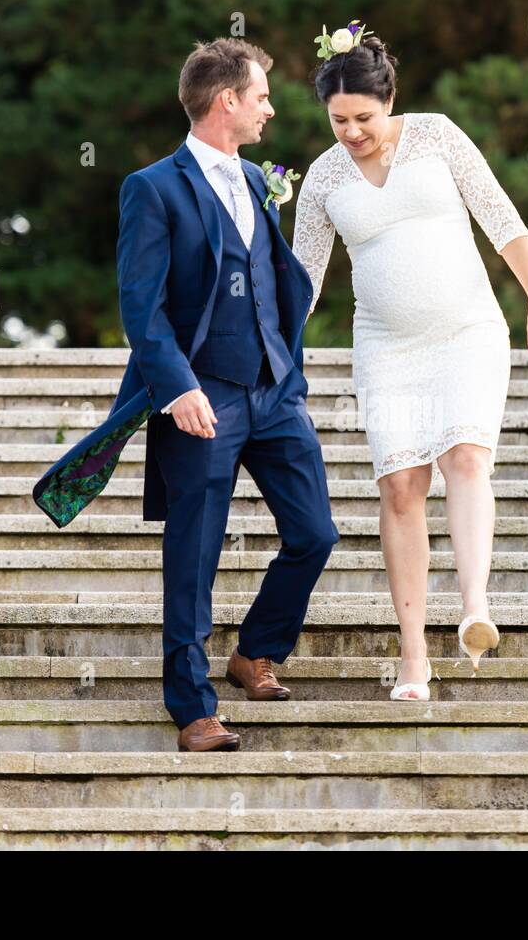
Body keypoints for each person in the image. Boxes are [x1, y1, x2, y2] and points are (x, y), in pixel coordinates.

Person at [293, 23, 528, 701]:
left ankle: (474, 605)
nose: (351, 131)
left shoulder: (438, 135)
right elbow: (303, 279)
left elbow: (502, 218)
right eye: (338, 120)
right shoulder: (324, 178)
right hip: (385, 347)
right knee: (401, 488)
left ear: (391, 101)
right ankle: (414, 656)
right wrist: (269, 350)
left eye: (363, 117)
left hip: (467, 331)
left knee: (467, 456)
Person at [111, 37, 338, 751]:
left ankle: (254, 650)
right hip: (201, 398)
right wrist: (176, 387)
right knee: (194, 553)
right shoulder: (152, 188)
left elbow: (270, 279)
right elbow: (141, 306)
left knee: (315, 532)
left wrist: (289, 377)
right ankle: (192, 705)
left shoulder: (253, 180)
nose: (272, 107)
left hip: (273, 392)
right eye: (262, 94)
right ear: (226, 101)